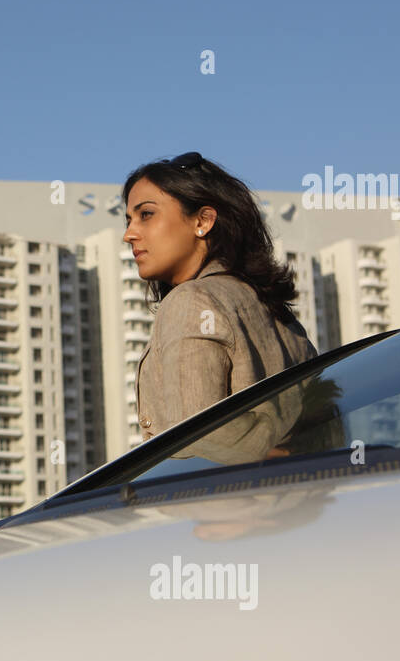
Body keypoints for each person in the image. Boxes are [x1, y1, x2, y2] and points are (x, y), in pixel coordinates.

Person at [122, 151, 318, 463]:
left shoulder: (192, 302)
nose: (129, 234)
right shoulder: (279, 314)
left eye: (146, 214)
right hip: (295, 499)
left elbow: (200, 444)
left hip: (222, 505)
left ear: (203, 221)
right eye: (129, 219)